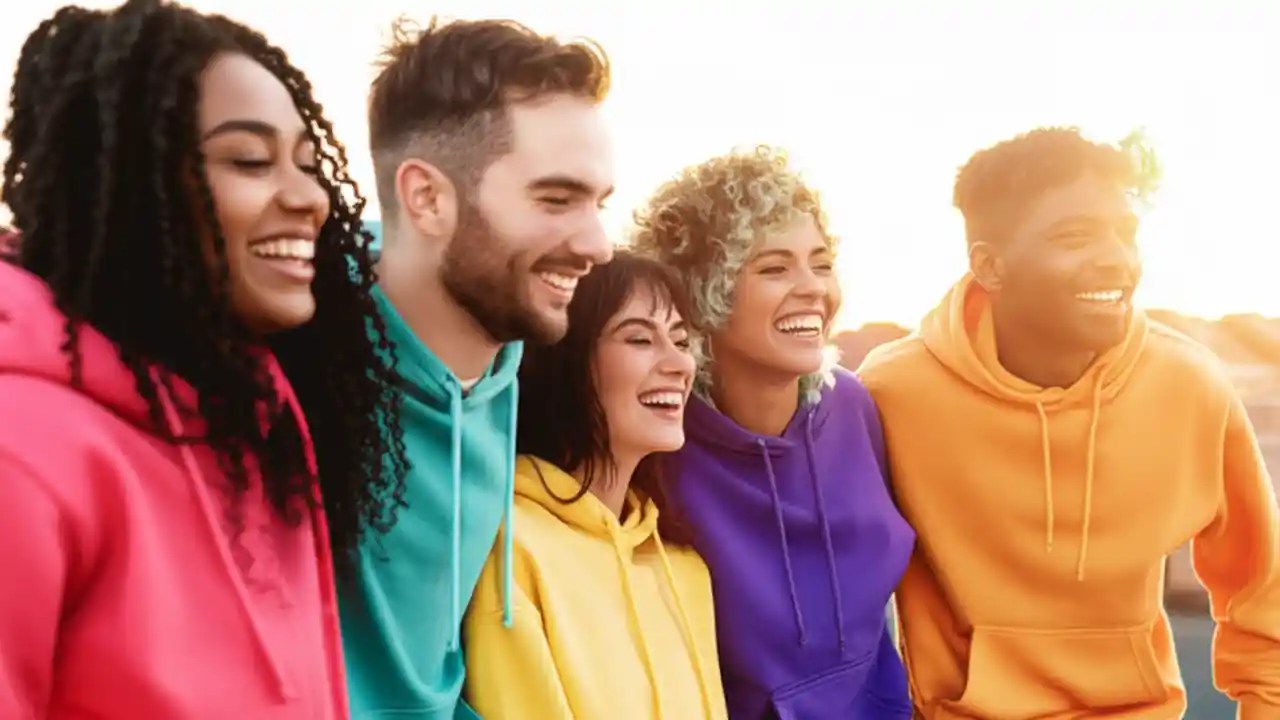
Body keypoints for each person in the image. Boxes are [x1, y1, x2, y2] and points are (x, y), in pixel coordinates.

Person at [0, 1, 408, 718]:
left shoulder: (254, 431)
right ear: (126, 179)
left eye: (309, 165)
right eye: (250, 160)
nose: (309, 198)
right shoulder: (22, 448)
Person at [858, 127, 1280, 718]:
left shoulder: (1189, 384)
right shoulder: (894, 391)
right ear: (991, 266)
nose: (1114, 257)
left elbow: (1262, 589)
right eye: (1074, 236)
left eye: (1124, 234)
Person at [338, 17, 616, 720]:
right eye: (556, 199)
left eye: (599, 202)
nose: (598, 244)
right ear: (427, 198)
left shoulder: (503, 368)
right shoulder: (285, 356)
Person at [631, 146, 916, 718]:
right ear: (702, 293)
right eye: (774, 267)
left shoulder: (855, 407)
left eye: (821, 262)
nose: (813, 287)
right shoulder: (659, 441)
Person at [462, 251, 728, 719]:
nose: (679, 364)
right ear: (568, 358)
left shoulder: (686, 569)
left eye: (681, 340)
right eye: (641, 339)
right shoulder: (508, 549)